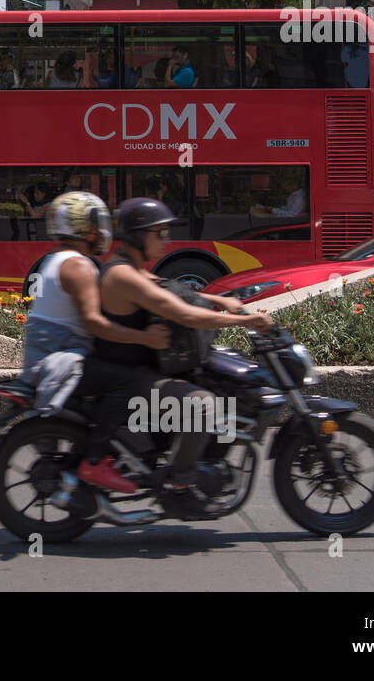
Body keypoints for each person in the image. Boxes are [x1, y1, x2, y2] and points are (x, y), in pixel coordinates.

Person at [95, 198, 274, 518]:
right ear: (136, 236)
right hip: (129, 376)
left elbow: (165, 288)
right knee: (204, 404)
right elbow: (183, 314)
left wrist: (218, 300)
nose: (165, 240)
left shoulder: (129, 268)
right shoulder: (122, 276)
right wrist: (246, 321)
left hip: (137, 369)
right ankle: (180, 487)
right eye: (158, 233)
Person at [19, 192, 171, 493]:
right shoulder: (78, 267)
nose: (104, 231)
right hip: (62, 359)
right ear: (84, 228)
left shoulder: (59, 259)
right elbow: (94, 323)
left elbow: (146, 285)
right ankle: (96, 459)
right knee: (128, 380)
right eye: (98, 223)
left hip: (52, 355)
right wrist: (146, 338)